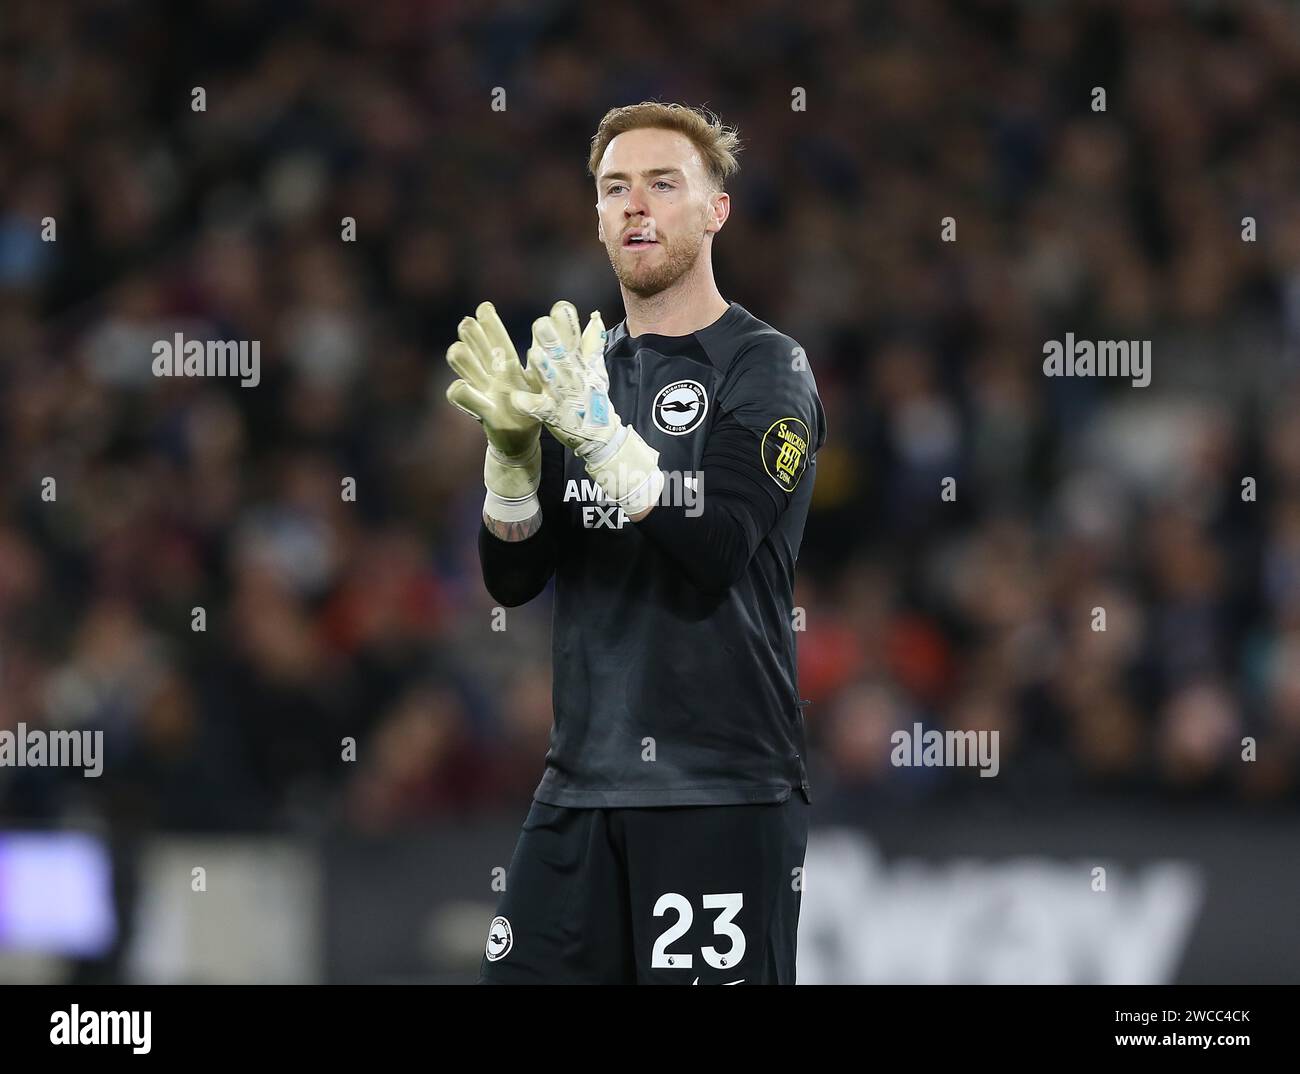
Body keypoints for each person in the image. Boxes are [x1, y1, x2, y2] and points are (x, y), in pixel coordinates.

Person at [445, 101, 826, 984]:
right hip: (580, 785)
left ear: (715, 210)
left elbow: (719, 545)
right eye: (615, 188)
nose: (636, 205)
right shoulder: (584, 367)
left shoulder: (766, 367)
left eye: (663, 183)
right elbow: (514, 579)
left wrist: (603, 438)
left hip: (720, 788)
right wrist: (510, 461)